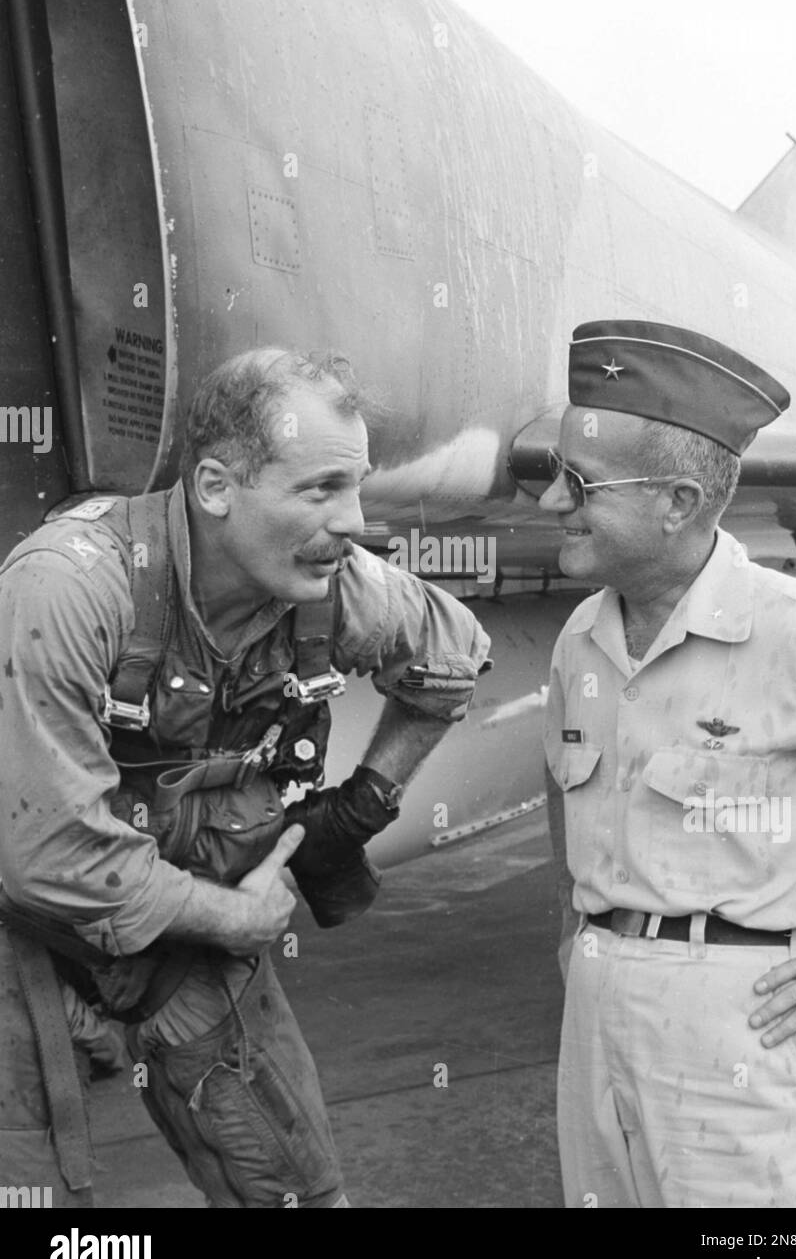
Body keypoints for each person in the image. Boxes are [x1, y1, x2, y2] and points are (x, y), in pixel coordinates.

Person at [0, 347, 491, 1209]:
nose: (356, 522)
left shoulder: (334, 589)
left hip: (191, 958)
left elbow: (451, 658)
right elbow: (45, 856)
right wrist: (240, 916)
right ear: (216, 487)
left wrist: (364, 802)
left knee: (298, 1196)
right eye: (321, 490)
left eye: (358, 486)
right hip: (30, 953)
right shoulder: (66, 589)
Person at [540, 319, 796, 1209]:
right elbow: (567, 794)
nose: (548, 503)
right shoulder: (582, 639)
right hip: (597, 1031)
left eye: (578, 483)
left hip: (753, 1043)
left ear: (680, 501)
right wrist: (582, 944)